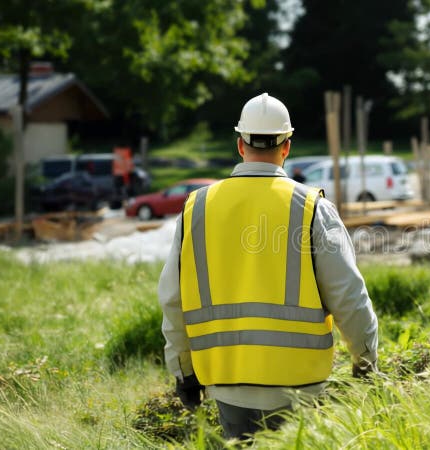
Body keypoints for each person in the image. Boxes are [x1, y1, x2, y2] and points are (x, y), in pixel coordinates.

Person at [158, 93, 378, 440]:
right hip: (301, 385)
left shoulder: (196, 208)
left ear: (240, 145)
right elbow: (349, 295)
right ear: (286, 147)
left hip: (227, 383)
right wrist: (365, 362)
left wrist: (183, 372)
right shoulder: (310, 208)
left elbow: (173, 300)